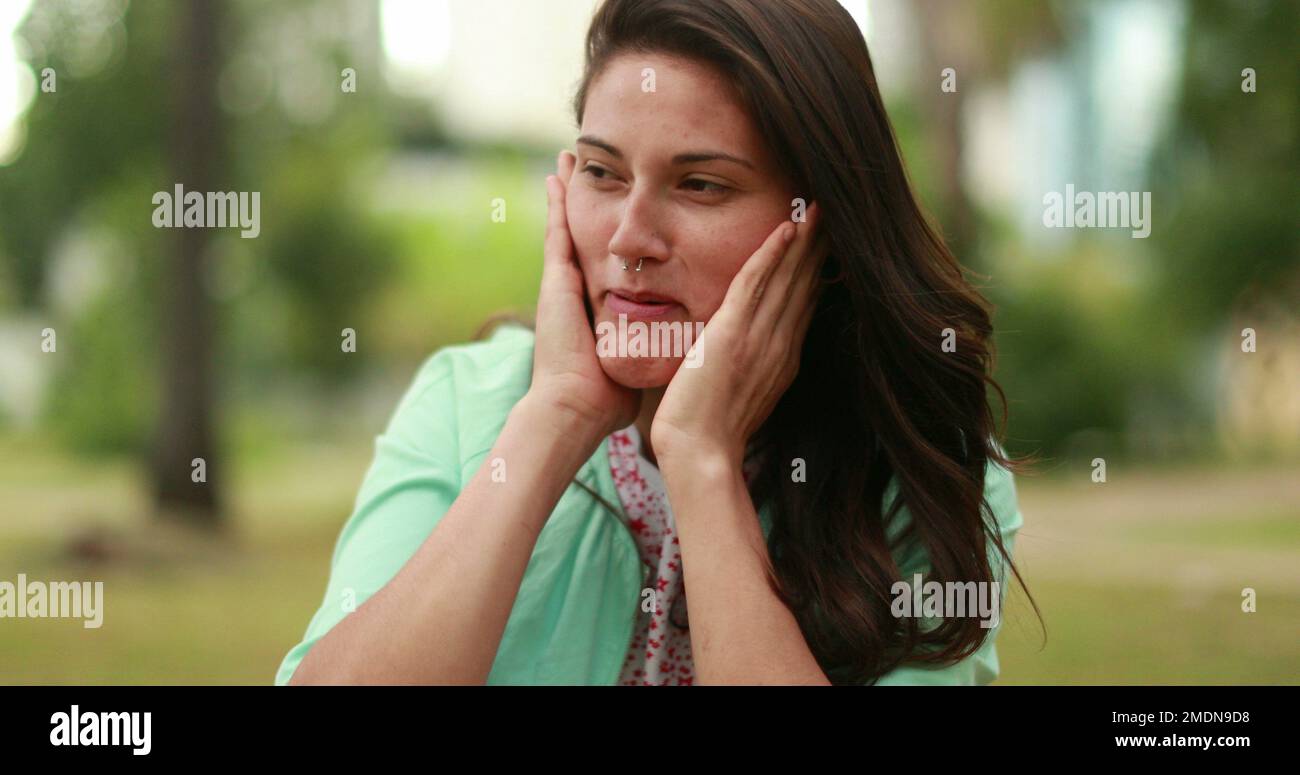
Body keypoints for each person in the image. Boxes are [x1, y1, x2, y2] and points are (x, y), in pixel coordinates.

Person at [277, 0, 1035, 686]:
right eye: (603, 173)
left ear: (819, 226)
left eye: (701, 185)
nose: (630, 238)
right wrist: (558, 415)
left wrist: (703, 462)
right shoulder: (465, 402)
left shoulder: (917, 462)